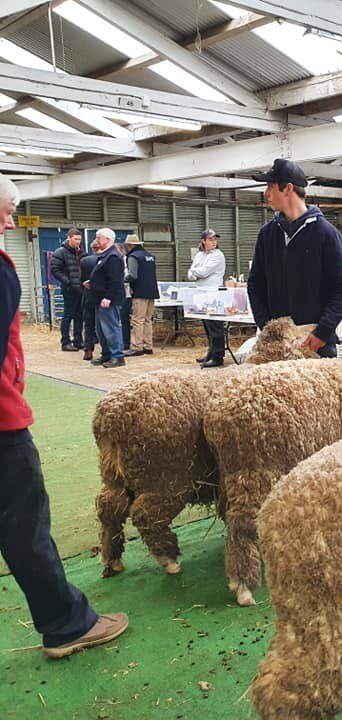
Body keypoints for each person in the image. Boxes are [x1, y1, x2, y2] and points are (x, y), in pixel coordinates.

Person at [0, 175, 128, 659]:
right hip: (2, 422)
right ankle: (66, 624)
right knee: (25, 524)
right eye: (9, 211)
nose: (11, 221)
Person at [247, 158, 342, 357]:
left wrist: (323, 331)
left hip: (315, 344)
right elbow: (255, 284)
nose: (266, 194)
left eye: (270, 186)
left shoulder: (326, 234)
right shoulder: (267, 234)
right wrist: (267, 327)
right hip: (277, 346)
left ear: (288, 188)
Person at [188, 229, 228, 368]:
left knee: (215, 325)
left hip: (213, 292)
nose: (214, 242)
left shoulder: (217, 255)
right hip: (201, 292)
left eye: (215, 240)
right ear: (203, 241)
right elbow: (190, 272)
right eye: (211, 240)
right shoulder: (199, 255)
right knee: (207, 325)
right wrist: (195, 273)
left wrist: (195, 273)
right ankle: (211, 352)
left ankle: (218, 356)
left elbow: (204, 272)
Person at [87, 228, 126, 368]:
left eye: (99, 238)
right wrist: (92, 283)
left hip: (108, 299)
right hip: (99, 298)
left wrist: (108, 297)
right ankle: (106, 354)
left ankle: (117, 356)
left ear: (108, 240)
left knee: (111, 328)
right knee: (101, 329)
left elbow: (115, 280)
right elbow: (104, 276)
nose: (97, 240)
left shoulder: (113, 257)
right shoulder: (105, 255)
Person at [49, 228, 86, 352]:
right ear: (69, 238)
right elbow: (55, 270)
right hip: (69, 289)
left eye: (79, 239)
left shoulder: (81, 251)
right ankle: (65, 342)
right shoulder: (60, 252)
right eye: (76, 239)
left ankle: (78, 340)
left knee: (79, 316)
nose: (78, 242)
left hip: (81, 288)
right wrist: (68, 281)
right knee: (68, 315)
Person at [123, 234, 159, 357]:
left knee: (137, 320)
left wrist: (121, 279)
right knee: (148, 320)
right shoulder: (150, 256)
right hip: (152, 291)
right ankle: (148, 346)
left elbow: (133, 275)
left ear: (130, 245)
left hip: (139, 292)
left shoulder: (133, 257)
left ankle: (137, 347)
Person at [79, 235, 101, 361]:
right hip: (101, 296)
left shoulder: (84, 261)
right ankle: (106, 350)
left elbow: (81, 279)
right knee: (103, 324)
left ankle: (88, 349)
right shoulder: (106, 259)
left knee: (88, 324)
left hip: (88, 294)